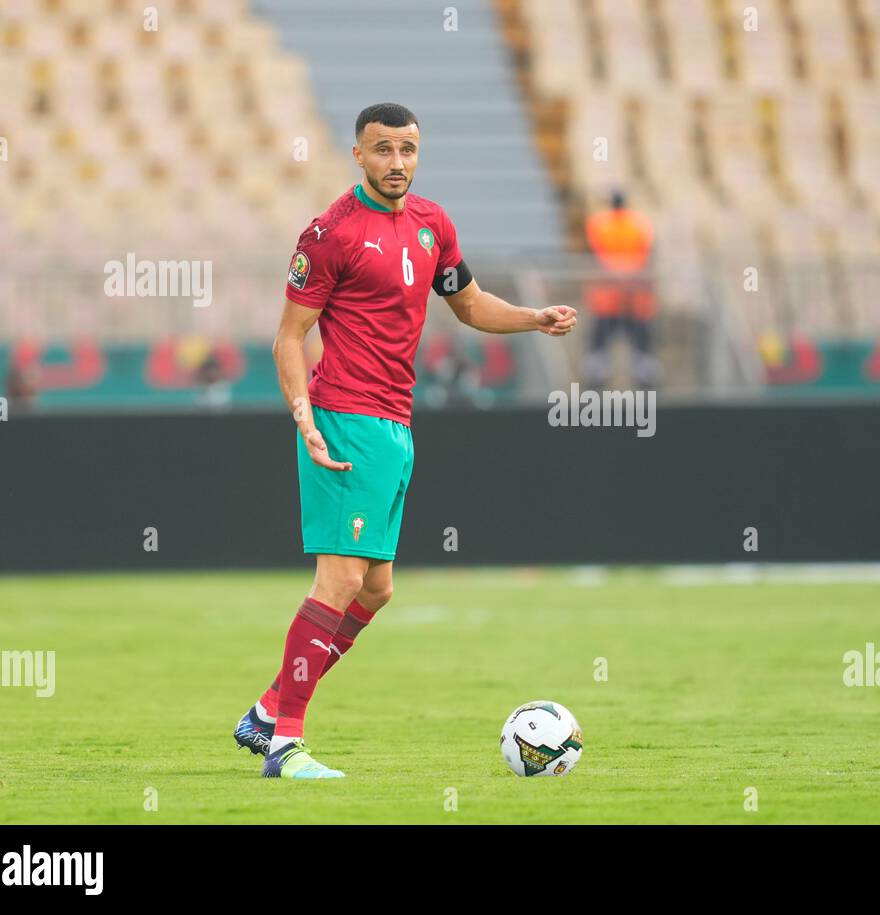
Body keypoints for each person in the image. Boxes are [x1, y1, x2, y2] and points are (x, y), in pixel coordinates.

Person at [234, 103, 577, 778]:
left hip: (395, 423)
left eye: (408, 150)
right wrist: (304, 416)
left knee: (376, 590)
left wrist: (533, 318)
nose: (397, 162)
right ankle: (284, 747)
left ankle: (269, 709)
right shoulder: (330, 233)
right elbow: (288, 337)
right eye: (383, 150)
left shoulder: (431, 225)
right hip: (344, 418)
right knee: (337, 581)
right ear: (358, 155)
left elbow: (471, 303)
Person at [583, 190, 659, 388]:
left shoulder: (601, 223)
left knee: (626, 340)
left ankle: (635, 373)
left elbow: (594, 255)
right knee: (626, 340)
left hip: (617, 295)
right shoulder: (637, 223)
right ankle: (635, 374)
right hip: (626, 294)